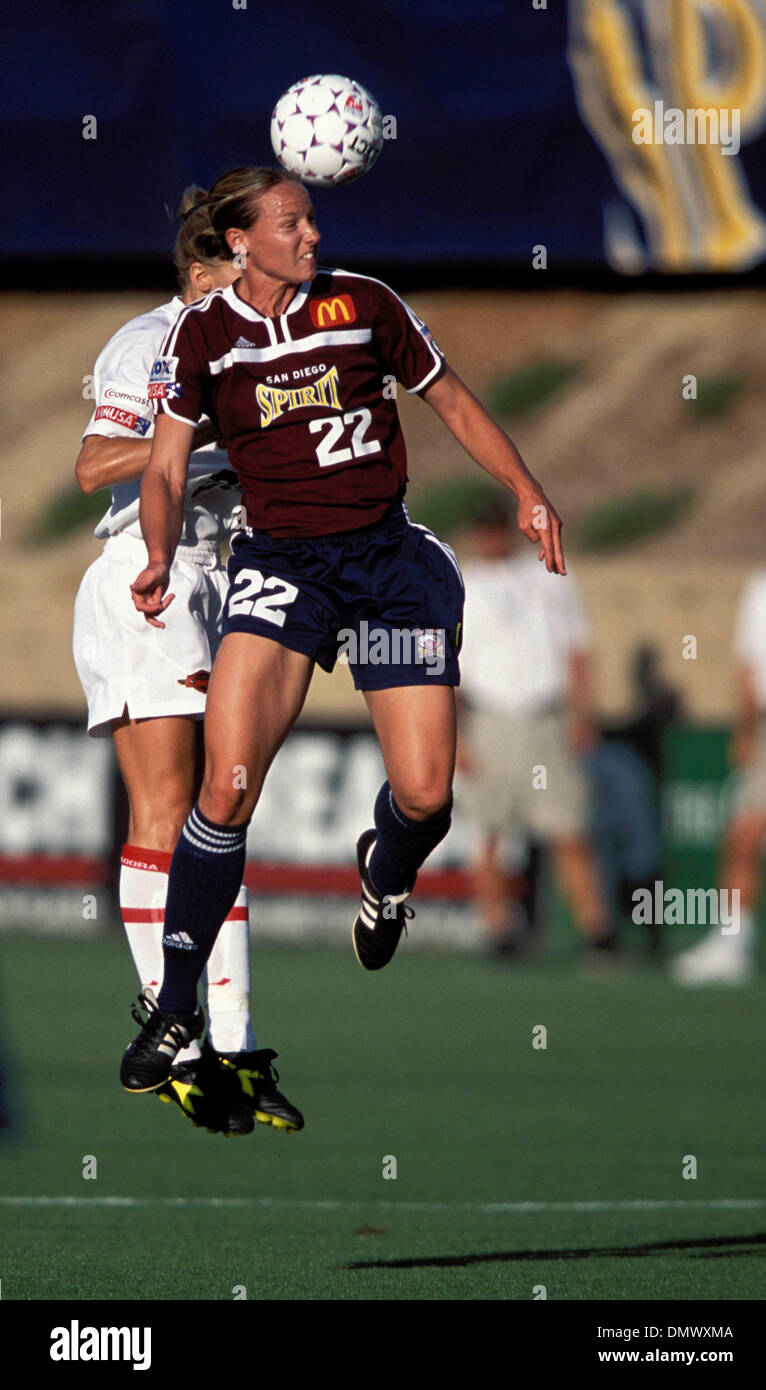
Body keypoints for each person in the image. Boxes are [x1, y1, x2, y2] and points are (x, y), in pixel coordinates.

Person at [122, 165, 566, 1094]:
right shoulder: (201, 336)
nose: (314, 235)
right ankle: (174, 1014)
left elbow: (450, 401)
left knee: (427, 796)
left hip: (386, 567)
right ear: (241, 242)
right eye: (293, 222)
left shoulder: (364, 305)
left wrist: (526, 491)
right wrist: (158, 555)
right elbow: (163, 470)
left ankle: (385, 867)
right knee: (227, 787)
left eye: (314, 218)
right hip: (283, 569)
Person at [72, 187, 303, 1135]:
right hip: (147, 579)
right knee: (172, 812)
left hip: (220, 585)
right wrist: (208, 428)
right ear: (204, 271)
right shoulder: (154, 341)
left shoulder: (257, 345)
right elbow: (94, 463)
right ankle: (183, 1040)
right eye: (241, 271)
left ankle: (236, 1046)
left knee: (222, 810)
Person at [457, 495, 615, 960]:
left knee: (568, 829)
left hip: (545, 716)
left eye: (496, 528)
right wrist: (457, 736)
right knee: (488, 832)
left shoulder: (549, 576)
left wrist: (582, 714)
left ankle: (596, 931)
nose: (491, 538)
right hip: (490, 719)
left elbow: (577, 650)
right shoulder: (460, 581)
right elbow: (446, 667)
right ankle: (499, 929)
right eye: (483, 529)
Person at [671, 480, 766, 985]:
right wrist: (746, 729)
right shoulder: (763, 588)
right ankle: (733, 943)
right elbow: (750, 668)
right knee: (744, 835)